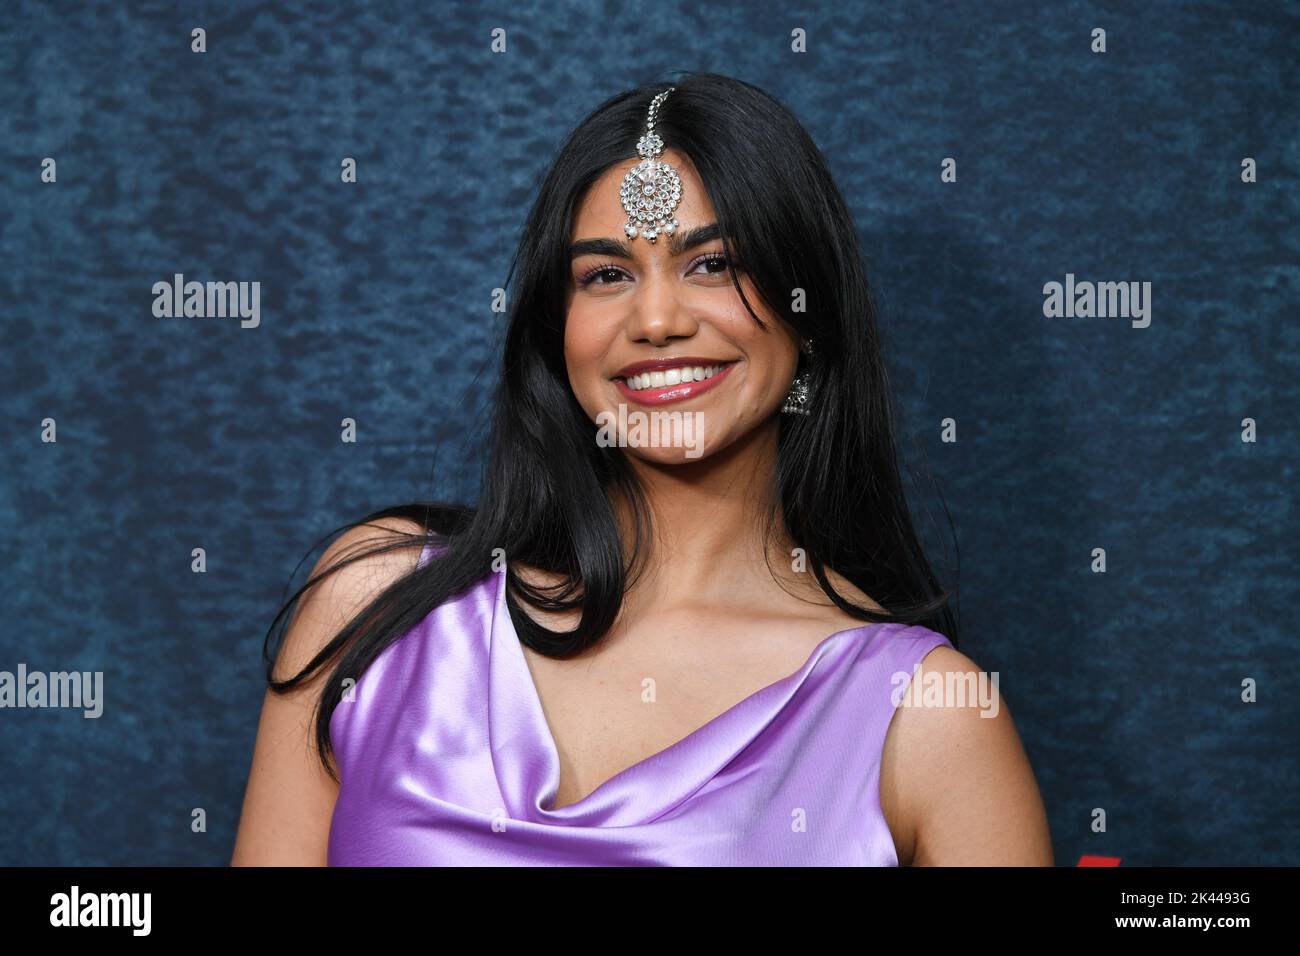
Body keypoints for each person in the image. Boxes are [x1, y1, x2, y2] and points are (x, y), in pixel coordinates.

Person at [232, 72, 1052, 866]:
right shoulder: (380, 609)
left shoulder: (926, 715)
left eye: (713, 264)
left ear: (811, 318)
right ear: (559, 330)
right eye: (606, 276)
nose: (656, 319)